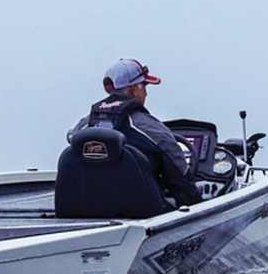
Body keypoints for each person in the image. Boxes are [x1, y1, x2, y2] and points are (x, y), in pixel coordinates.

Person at [69, 57, 203, 207]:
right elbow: (179, 175)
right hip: (142, 214)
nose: (146, 94)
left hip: (88, 211)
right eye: (144, 87)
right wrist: (195, 203)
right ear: (133, 90)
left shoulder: (82, 128)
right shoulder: (151, 129)